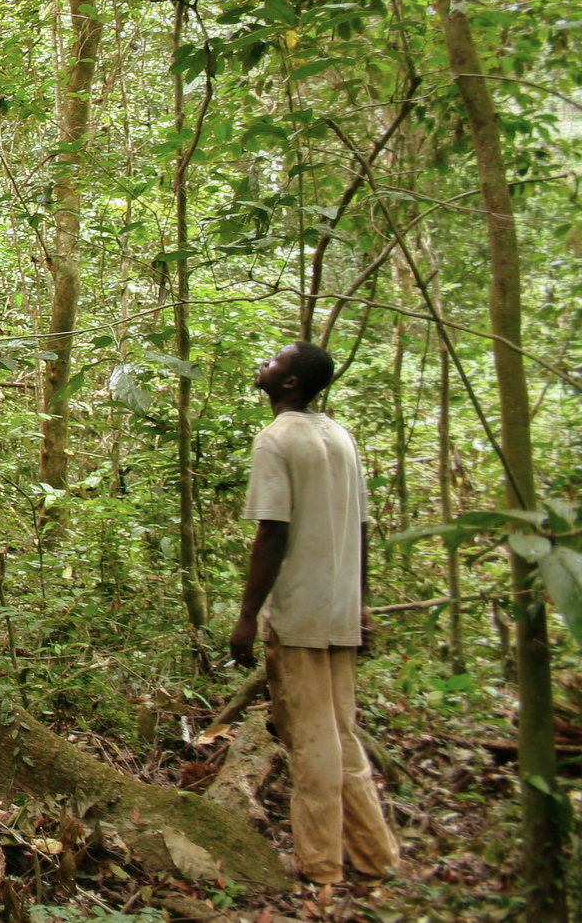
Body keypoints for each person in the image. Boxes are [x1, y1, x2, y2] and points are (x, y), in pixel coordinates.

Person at [227, 340, 400, 889]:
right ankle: (376, 856)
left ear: (290, 382)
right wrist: (360, 601)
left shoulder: (276, 439)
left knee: (312, 741)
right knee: (342, 735)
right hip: (341, 610)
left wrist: (248, 615)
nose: (264, 362)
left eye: (274, 360)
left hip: (301, 613)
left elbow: (272, 532)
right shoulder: (340, 436)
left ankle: (320, 864)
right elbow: (361, 528)